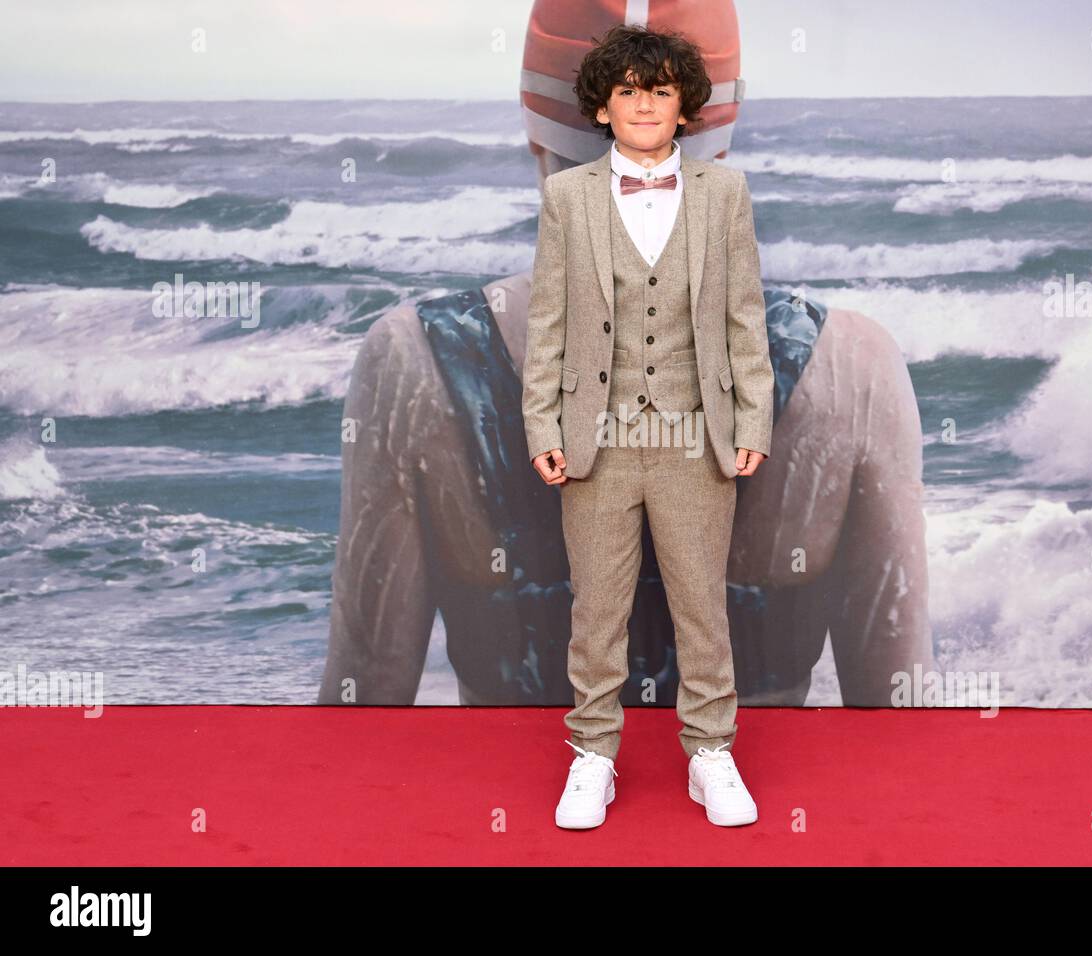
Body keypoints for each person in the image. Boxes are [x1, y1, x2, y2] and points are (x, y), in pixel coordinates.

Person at [317, 0, 933, 819]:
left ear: (536, 128)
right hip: (627, 452)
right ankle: (629, 757)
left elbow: (362, 705)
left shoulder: (412, 360)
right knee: (640, 602)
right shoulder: (854, 364)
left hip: (673, 453)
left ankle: (678, 755)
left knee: (654, 604)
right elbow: (900, 715)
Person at [524, 23, 770, 829]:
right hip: (598, 436)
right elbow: (549, 326)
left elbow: (743, 320)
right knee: (598, 608)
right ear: (602, 106)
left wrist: (751, 418)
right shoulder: (566, 198)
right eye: (628, 91)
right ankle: (593, 755)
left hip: (696, 437)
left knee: (702, 603)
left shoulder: (725, 195)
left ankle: (711, 754)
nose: (644, 105)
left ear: (684, 107)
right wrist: (542, 425)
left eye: (661, 91)